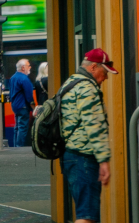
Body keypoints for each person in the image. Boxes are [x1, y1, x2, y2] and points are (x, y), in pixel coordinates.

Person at [59, 49, 116, 223]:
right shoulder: (87, 88)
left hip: (70, 156)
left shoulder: (70, 83)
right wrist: (103, 160)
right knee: (87, 216)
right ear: (93, 67)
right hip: (83, 158)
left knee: (85, 212)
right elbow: (94, 125)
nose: (105, 77)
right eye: (104, 71)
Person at [5, 60, 37, 151]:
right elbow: (28, 95)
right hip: (23, 106)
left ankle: (16, 146)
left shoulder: (13, 77)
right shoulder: (24, 78)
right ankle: (20, 147)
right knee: (23, 127)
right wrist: (33, 107)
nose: (30, 67)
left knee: (17, 127)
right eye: (28, 65)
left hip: (15, 106)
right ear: (23, 67)